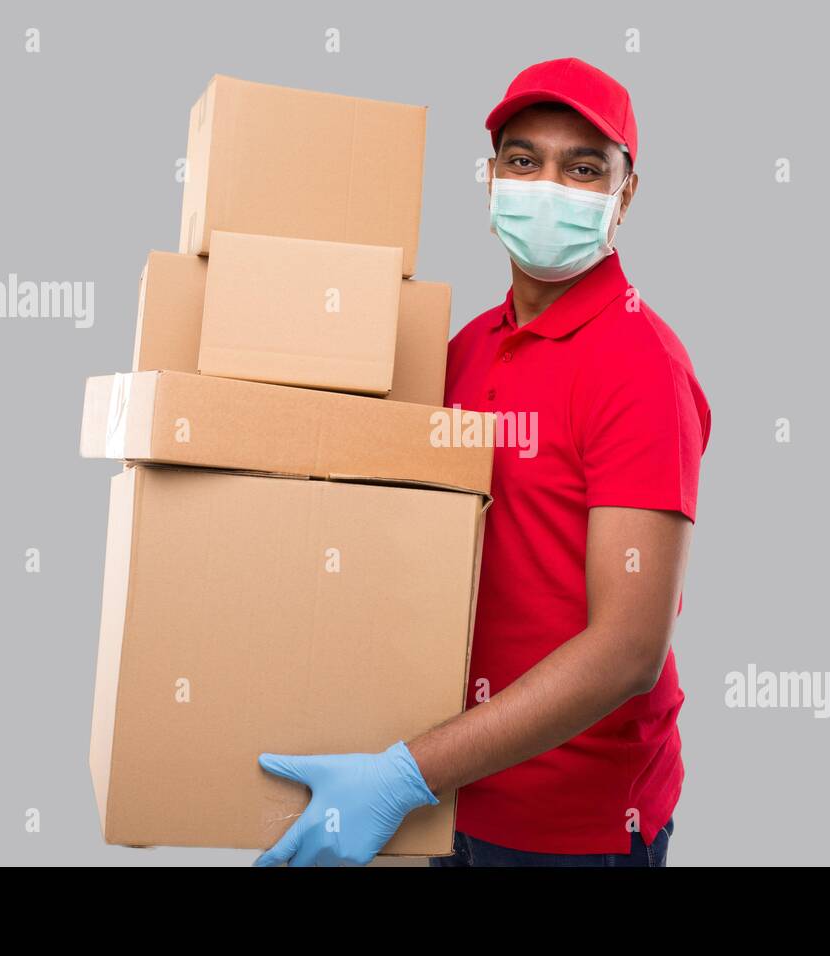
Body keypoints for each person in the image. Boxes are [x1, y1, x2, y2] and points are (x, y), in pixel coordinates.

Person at [255, 57, 712, 867]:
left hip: (571, 830)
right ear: (492, 177)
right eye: (524, 160)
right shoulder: (464, 350)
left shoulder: (639, 364)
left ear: (625, 194)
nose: (547, 186)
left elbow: (629, 650)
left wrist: (402, 776)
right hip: (450, 793)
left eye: (582, 168)